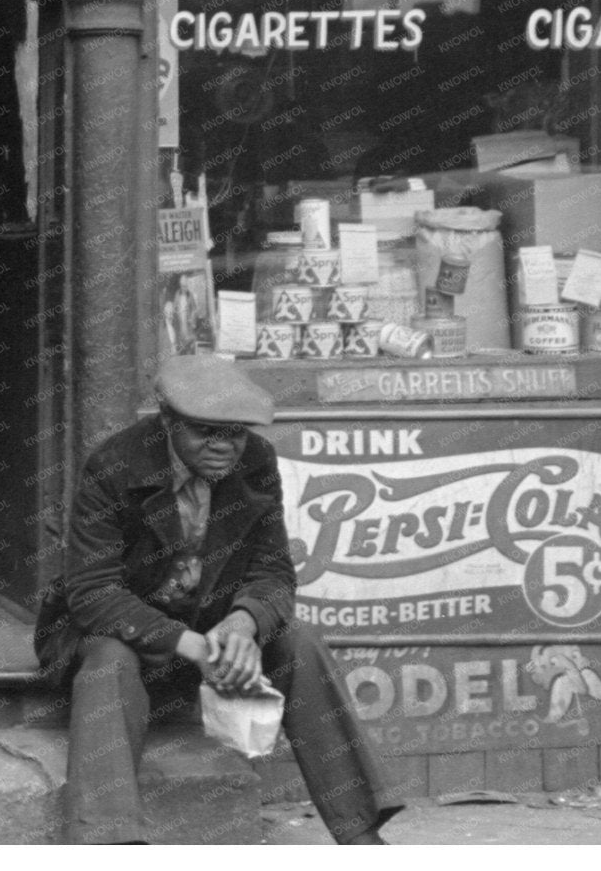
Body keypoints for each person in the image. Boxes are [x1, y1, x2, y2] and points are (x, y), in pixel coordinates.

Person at [34, 353, 400, 845]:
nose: (224, 446)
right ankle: (109, 841)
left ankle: (359, 832)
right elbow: (93, 593)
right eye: (206, 432)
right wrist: (194, 647)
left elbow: (272, 571)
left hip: (208, 630)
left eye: (236, 433)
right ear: (168, 422)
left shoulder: (256, 461)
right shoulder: (113, 465)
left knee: (299, 642)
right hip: (126, 638)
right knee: (109, 658)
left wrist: (243, 625)